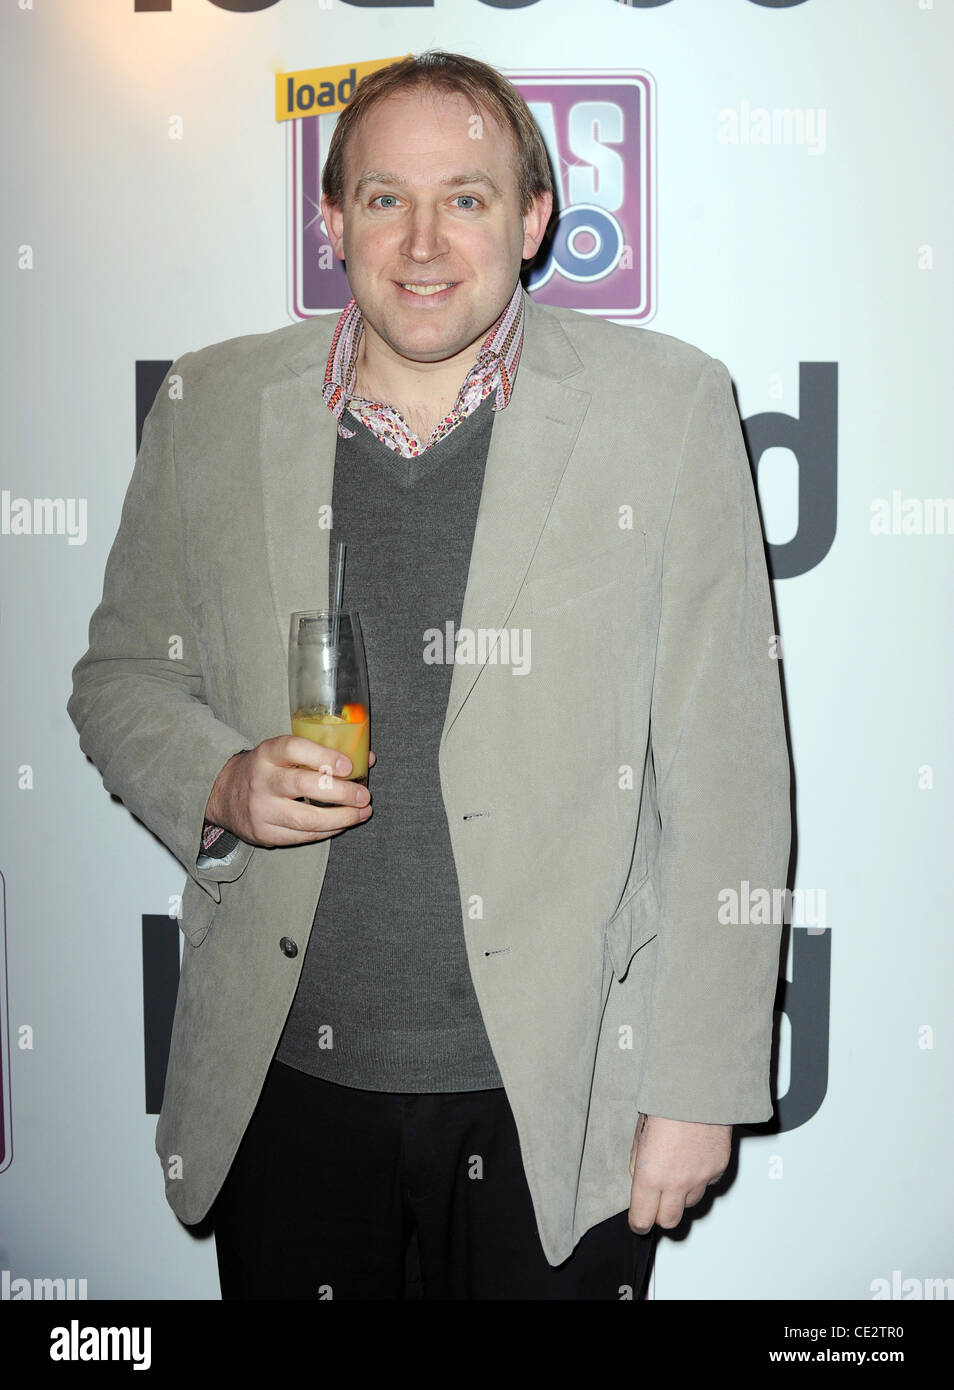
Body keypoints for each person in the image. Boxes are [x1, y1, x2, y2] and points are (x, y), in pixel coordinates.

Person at [68, 50, 791, 1301]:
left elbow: (730, 772)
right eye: (385, 197)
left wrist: (698, 1086)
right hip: (285, 1085)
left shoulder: (666, 409)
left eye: (465, 196)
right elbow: (122, 674)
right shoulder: (211, 401)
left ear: (532, 218)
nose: (422, 241)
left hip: (554, 1098)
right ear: (331, 215)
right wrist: (224, 783)